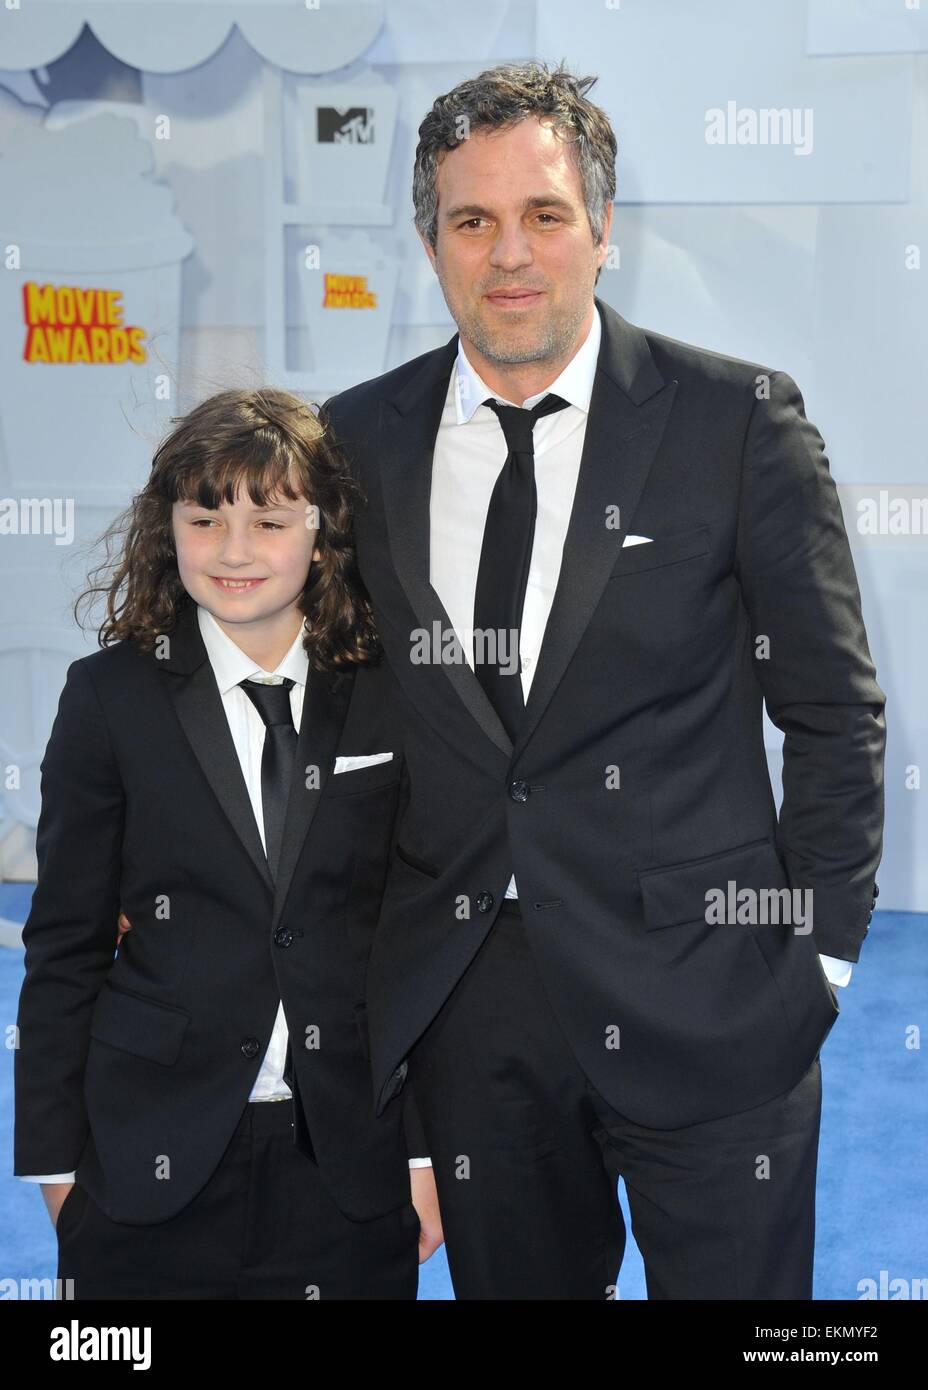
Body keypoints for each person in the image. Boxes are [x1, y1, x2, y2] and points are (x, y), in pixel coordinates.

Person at [320, 61, 886, 1299]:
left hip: (714, 1000)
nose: (507, 254)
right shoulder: (355, 443)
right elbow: (347, 746)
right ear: (430, 243)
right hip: (473, 1026)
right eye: (471, 221)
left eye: (543, 215)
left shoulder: (737, 421)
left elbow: (834, 713)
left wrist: (817, 966)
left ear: (603, 229)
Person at [14, 386, 437, 1299]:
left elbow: (421, 939)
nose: (235, 551)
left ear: (323, 532)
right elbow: (65, 942)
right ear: (167, 528)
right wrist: (54, 1166)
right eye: (205, 518)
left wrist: (425, 1150)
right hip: (146, 1162)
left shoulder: (390, 694)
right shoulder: (109, 698)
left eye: (271, 520)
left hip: (349, 1164)